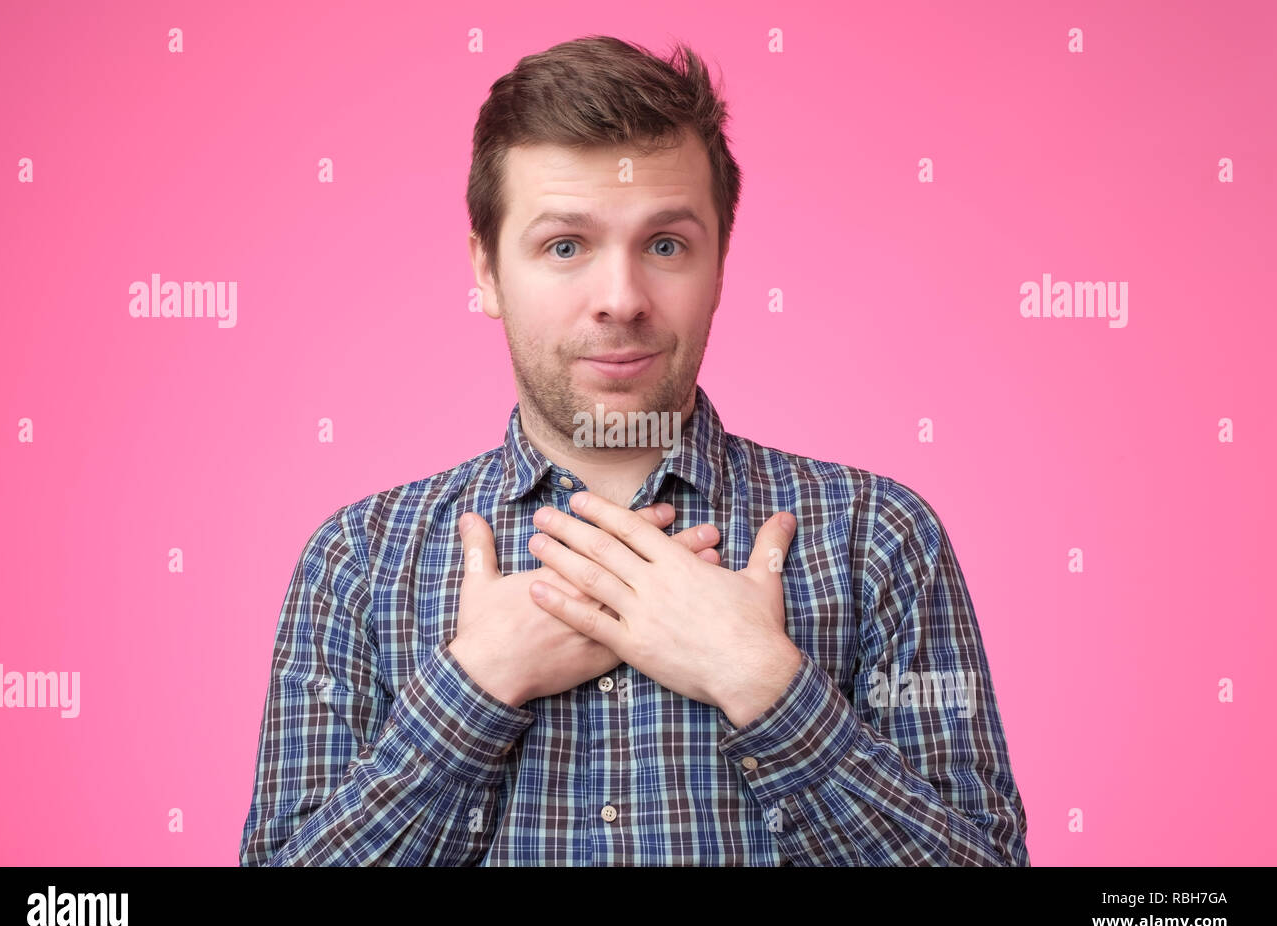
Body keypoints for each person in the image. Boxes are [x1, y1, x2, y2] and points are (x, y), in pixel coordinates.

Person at [239, 35, 1029, 866]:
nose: (620, 301)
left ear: (721, 263)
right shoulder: (358, 561)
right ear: (485, 270)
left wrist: (765, 683)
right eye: (565, 247)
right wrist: (473, 692)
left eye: (665, 246)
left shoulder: (880, 537)